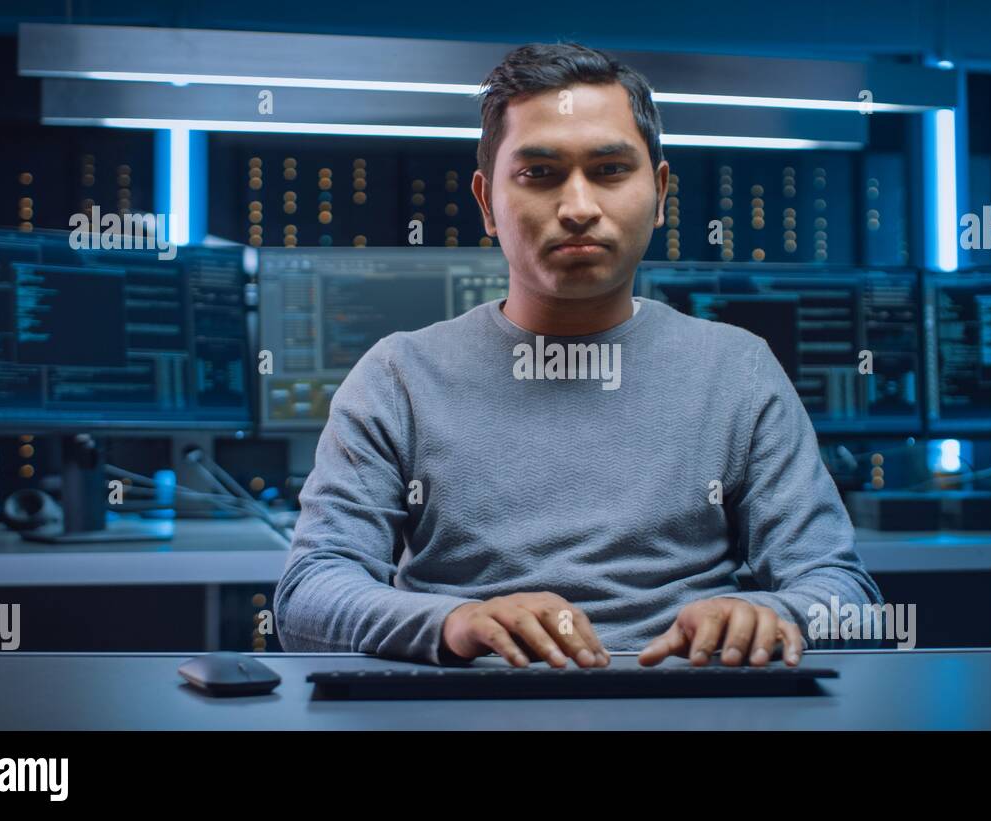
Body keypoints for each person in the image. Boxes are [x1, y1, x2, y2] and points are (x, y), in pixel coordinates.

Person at [275, 41, 882, 669]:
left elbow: (849, 597)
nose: (579, 208)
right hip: (469, 705)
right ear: (486, 202)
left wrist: (770, 616)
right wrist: (453, 623)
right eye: (539, 173)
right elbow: (307, 596)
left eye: (611, 169)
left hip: (691, 702)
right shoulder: (399, 376)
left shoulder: (737, 371)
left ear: (661, 191)